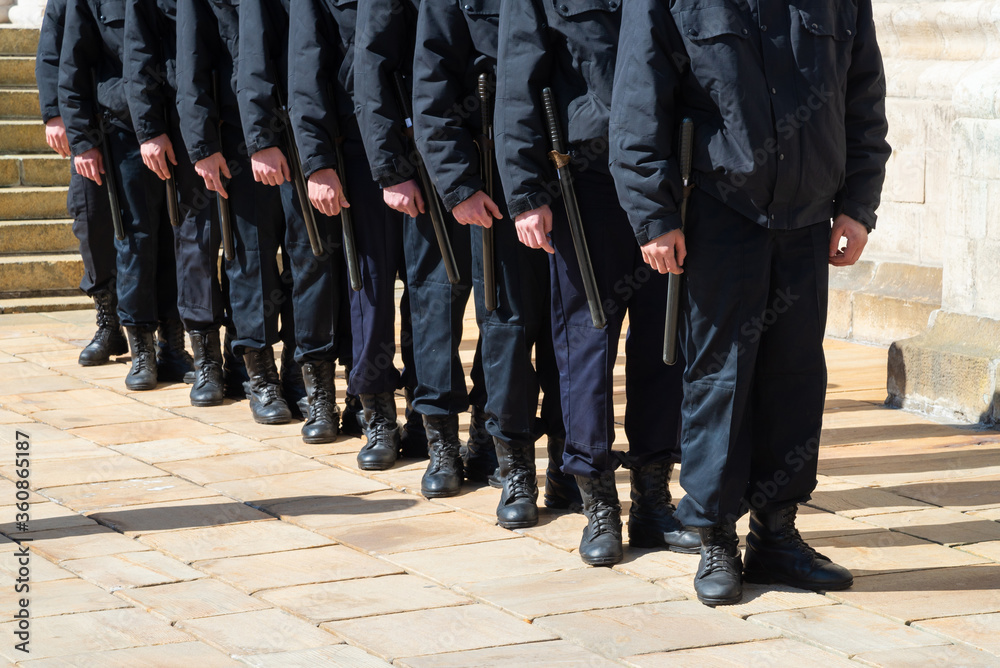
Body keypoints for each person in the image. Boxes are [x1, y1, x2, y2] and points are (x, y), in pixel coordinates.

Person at [610, 0, 890, 605]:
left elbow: (863, 95)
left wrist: (859, 203)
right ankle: (715, 536)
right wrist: (654, 216)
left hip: (810, 217)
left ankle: (776, 535)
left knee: (794, 377)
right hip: (720, 210)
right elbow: (639, 101)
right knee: (720, 378)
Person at [496, 0, 699, 565]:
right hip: (585, 181)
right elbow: (518, 82)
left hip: (667, 177)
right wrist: (527, 193)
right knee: (586, 343)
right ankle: (597, 500)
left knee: (664, 344)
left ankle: (653, 498)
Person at [411, 0, 579, 528]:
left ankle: (567, 466)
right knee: (507, 329)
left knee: (573, 338)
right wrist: (459, 186)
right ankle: (516, 468)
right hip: (497, 185)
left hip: (585, 178)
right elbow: (431, 89)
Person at [356, 0, 494, 496]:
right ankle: (440, 441)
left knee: (505, 310)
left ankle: (487, 431)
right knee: (435, 302)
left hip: (509, 155)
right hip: (434, 161)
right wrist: (392, 167)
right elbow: (373, 66)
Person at [59, 0, 193, 392]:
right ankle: (142, 349)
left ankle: (173, 346)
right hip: (122, 132)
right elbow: (72, 63)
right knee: (136, 239)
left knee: (178, 240)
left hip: (180, 126)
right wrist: (82, 140)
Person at [237, 0, 347, 443]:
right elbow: (254, 53)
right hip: (277, 136)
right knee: (256, 260)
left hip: (324, 134)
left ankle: (312, 382)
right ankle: (260, 375)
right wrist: (261, 136)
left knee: (314, 262)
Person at [123, 0, 230, 406]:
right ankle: (206, 359)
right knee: (196, 247)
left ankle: (243, 359)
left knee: (250, 252)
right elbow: (139, 48)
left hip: (246, 121)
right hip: (185, 124)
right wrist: (149, 127)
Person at [37, 0, 127, 369]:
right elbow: (51, 47)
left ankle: (155, 328)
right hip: (87, 123)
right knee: (90, 220)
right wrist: (53, 114)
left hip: (141, 120)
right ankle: (107, 322)